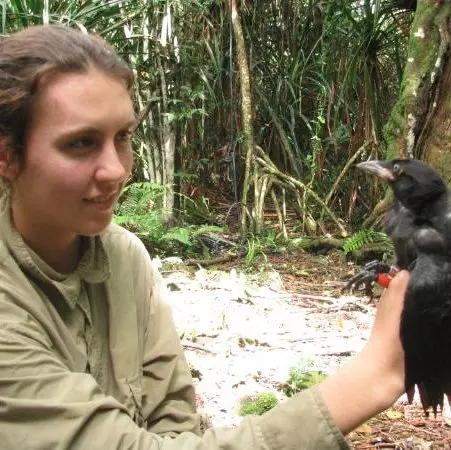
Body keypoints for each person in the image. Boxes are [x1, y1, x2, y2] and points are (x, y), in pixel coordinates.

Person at [0, 24, 408, 450]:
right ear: (8, 155)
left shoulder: (122, 258)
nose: (117, 170)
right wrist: (373, 376)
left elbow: (174, 423)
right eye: (81, 143)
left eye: (122, 137)